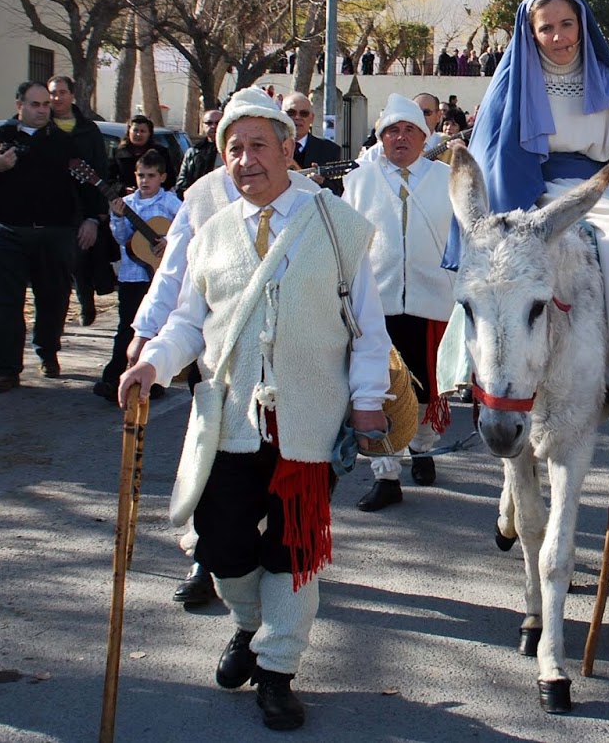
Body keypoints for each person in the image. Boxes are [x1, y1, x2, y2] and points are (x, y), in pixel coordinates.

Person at [119, 88, 391, 731]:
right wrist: (153, 363)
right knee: (221, 543)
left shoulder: (338, 225)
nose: (246, 160)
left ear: (289, 149)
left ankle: (276, 670)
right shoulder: (212, 233)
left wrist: (367, 403)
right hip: (230, 419)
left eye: (259, 146)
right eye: (234, 149)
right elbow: (189, 322)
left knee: (293, 551)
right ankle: (249, 623)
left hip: (309, 421)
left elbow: (367, 329)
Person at [448, 0, 609, 412]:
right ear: (531, 33)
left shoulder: (608, 82)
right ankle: (485, 366)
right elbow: (490, 155)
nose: (559, 36)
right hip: (529, 189)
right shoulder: (510, 83)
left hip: (594, 186)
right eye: (546, 28)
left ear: (582, 25)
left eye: (567, 24)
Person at [342, 95, 457, 511]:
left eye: (410, 130)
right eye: (392, 130)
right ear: (381, 137)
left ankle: (422, 448)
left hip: (433, 300)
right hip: (377, 304)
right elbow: (346, 240)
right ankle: (386, 475)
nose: (401, 138)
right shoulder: (359, 181)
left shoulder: (447, 178)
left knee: (427, 388)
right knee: (382, 388)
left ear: (425, 137)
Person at [0, 81, 103, 393]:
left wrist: (91, 219)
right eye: (35, 104)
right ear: (19, 106)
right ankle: (7, 369)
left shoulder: (63, 142)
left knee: (53, 299)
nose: (43, 110)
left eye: (46, 104)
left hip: (54, 233)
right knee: (7, 304)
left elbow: (88, 181)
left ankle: (48, 352)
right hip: (8, 232)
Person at [96, 149, 180, 401]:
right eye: (141, 175)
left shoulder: (170, 203)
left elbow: (186, 230)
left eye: (151, 176)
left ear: (162, 177)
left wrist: (168, 241)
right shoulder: (127, 203)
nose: (145, 181)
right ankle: (114, 379)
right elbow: (122, 239)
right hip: (131, 276)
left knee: (157, 329)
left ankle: (155, 381)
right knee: (127, 327)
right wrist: (117, 217)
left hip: (160, 276)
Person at [46, 75, 112, 326]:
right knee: (55, 269)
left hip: (82, 207)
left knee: (81, 261)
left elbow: (101, 170)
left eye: (62, 92)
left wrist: (95, 216)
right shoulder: (43, 126)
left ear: (72, 95)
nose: (57, 98)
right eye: (53, 93)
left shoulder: (88, 129)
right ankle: (55, 322)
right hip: (50, 209)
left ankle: (86, 302)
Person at [280, 92, 345, 196]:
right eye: (291, 113)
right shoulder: (268, 149)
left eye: (304, 113)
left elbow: (339, 193)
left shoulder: (330, 150)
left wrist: (321, 183)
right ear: (281, 116)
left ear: (312, 118)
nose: (297, 117)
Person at [109, 114, 175, 192]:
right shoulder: (118, 152)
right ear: (129, 131)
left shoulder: (160, 152)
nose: (138, 134)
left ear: (149, 134)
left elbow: (170, 179)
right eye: (135, 130)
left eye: (142, 131)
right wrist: (122, 189)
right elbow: (109, 178)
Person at [175, 109, 224, 197]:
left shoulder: (233, 151)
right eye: (209, 123)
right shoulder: (194, 151)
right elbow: (182, 182)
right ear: (203, 125)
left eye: (218, 123)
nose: (213, 126)